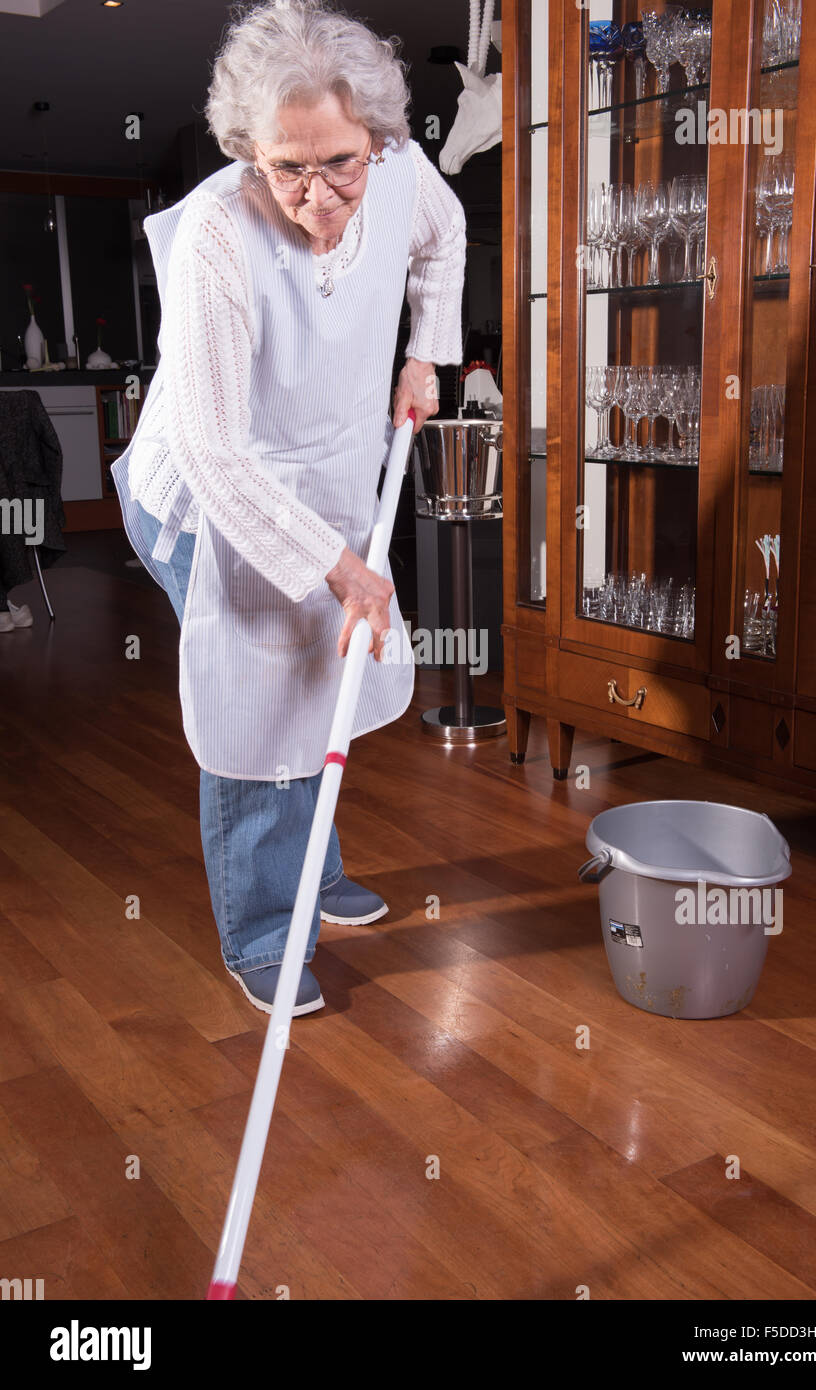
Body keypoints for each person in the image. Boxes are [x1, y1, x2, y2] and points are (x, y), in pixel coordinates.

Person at [111, 0, 466, 1016]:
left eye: (340, 164)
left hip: (315, 471)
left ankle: (310, 866)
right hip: (199, 499)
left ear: (380, 140)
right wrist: (344, 569)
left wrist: (425, 353)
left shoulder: (398, 170)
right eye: (287, 169)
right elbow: (220, 457)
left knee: (324, 668)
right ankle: (267, 925)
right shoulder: (217, 238)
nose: (317, 195)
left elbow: (441, 241)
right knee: (266, 691)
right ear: (248, 153)